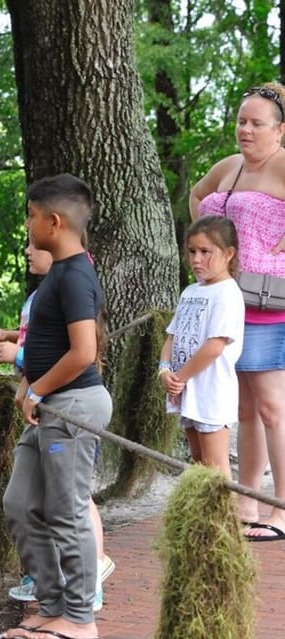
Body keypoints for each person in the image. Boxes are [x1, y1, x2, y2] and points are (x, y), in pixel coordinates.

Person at [0, 174, 112, 639]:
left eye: (30, 215)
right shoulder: (59, 273)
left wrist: (39, 387)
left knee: (66, 510)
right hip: (47, 404)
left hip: (73, 406)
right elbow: (46, 341)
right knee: (22, 503)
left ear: (54, 220)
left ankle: (80, 619)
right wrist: (29, 386)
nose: (27, 224)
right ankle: (51, 603)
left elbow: (84, 352)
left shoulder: (77, 276)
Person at [190, 81, 285, 541]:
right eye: (241, 122)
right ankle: (249, 500)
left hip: (269, 303)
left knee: (271, 407)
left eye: (256, 124)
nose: (245, 130)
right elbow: (196, 195)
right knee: (243, 407)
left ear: (280, 130)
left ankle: (281, 509)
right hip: (226, 302)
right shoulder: (227, 168)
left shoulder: (282, 164)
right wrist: (204, 248)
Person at [158, 216, 244, 480]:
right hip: (186, 392)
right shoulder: (190, 292)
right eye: (192, 251)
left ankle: (226, 521)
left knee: (215, 467)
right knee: (198, 465)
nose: (196, 259)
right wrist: (164, 371)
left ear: (228, 254)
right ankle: (202, 520)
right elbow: (172, 336)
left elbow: (215, 345)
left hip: (211, 391)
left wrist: (180, 378)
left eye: (206, 252)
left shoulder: (227, 293)